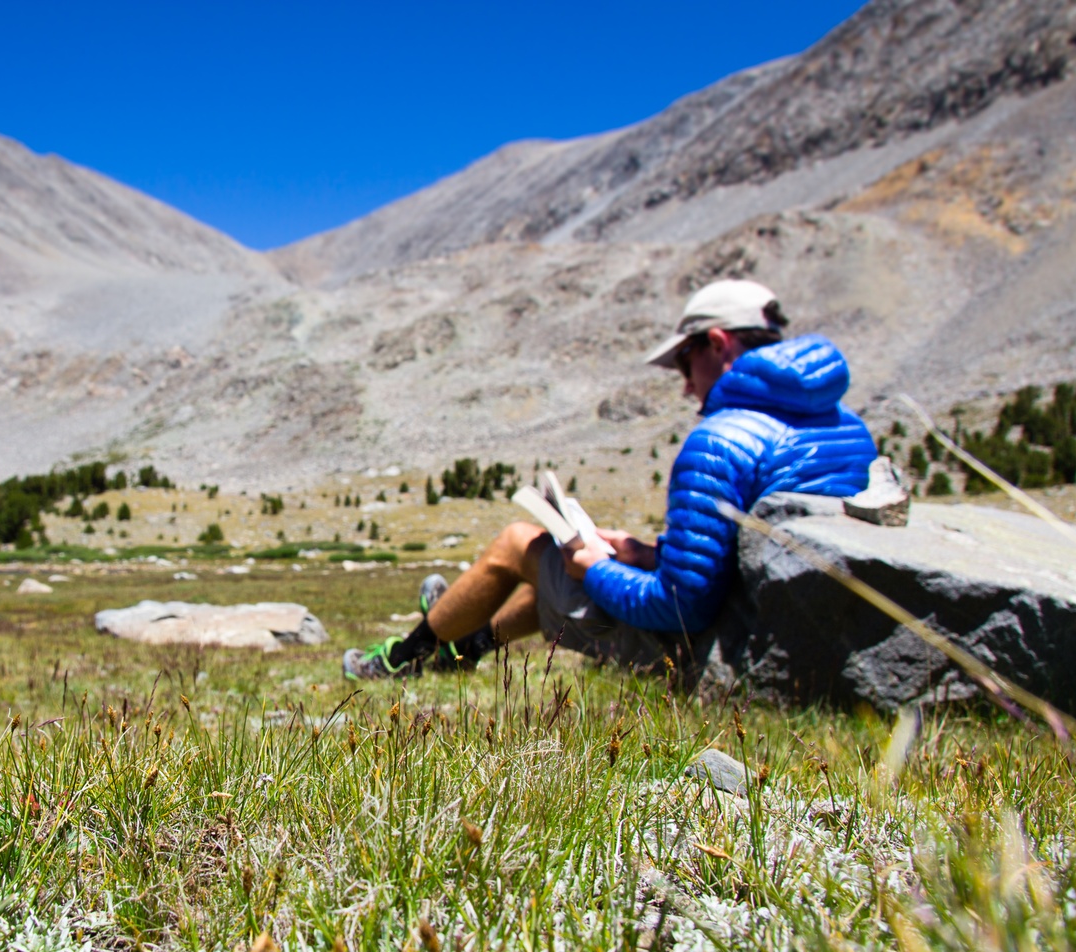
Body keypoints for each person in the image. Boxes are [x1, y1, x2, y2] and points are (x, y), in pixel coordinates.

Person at [343, 279, 879, 680]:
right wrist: (646, 555)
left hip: (711, 646)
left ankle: (401, 661)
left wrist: (593, 566)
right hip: (787, 629)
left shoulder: (723, 440)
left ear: (718, 343)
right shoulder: (849, 427)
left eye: (684, 363)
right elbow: (745, 554)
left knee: (520, 544)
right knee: (564, 560)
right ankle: (463, 648)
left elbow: (680, 607)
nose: (686, 386)